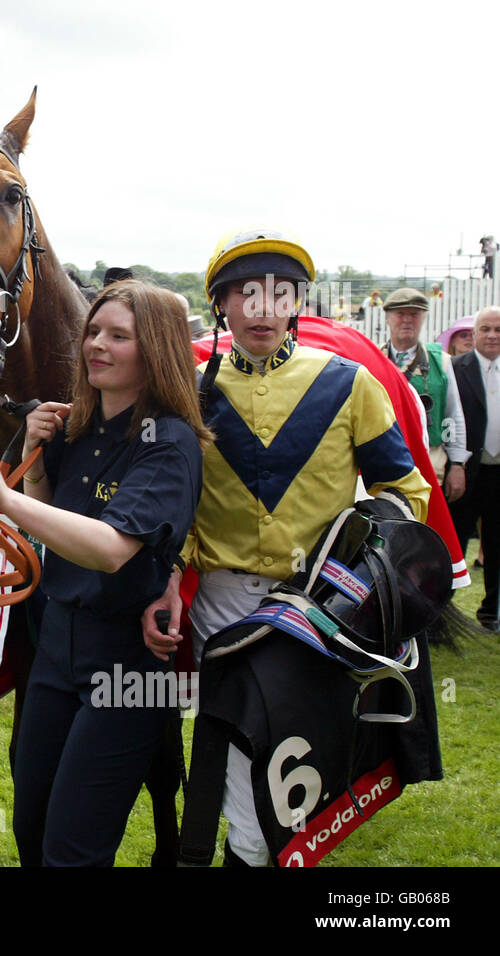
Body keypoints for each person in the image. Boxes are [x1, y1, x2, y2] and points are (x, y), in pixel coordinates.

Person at [142, 229, 431, 866]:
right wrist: (171, 575)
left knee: (299, 752)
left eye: (279, 293)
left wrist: (358, 566)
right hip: (225, 604)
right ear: (221, 304)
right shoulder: (189, 390)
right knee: (242, 757)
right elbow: (177, 504)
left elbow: (405, 493)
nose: (263, 308)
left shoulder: (350, 384)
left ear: (297, 301)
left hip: (320, 610)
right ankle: (246, 850)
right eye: (246, 293)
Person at [0, 279, 209, 865]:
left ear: (156, 351)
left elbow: (112, 549)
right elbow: (57, 518)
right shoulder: (79, 426)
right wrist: (37, 460)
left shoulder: (169, 442)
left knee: (73, 849)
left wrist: (4, 496)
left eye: (118, 336)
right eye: (93, 331)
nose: (96, 344)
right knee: (31, 827)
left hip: (124, 663)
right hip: (57, 645)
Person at [381, 287, 469, 489]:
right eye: (400, 314)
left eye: (414, 314)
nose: (407, 320)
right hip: (383, 463)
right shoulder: (373, 359)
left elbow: (453, 415)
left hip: (430, 465)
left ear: (423, 318)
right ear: (387, 317)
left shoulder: (441, 362)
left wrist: (457, 464)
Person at [448, 306, 500, 630]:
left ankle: (491, 613)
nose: (493, 335)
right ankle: (442, 612)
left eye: (499, 330)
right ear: (475, 333)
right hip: (466, 473)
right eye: (486, 329)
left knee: (496, 546)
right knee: (454, 543)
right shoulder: (455, 368)